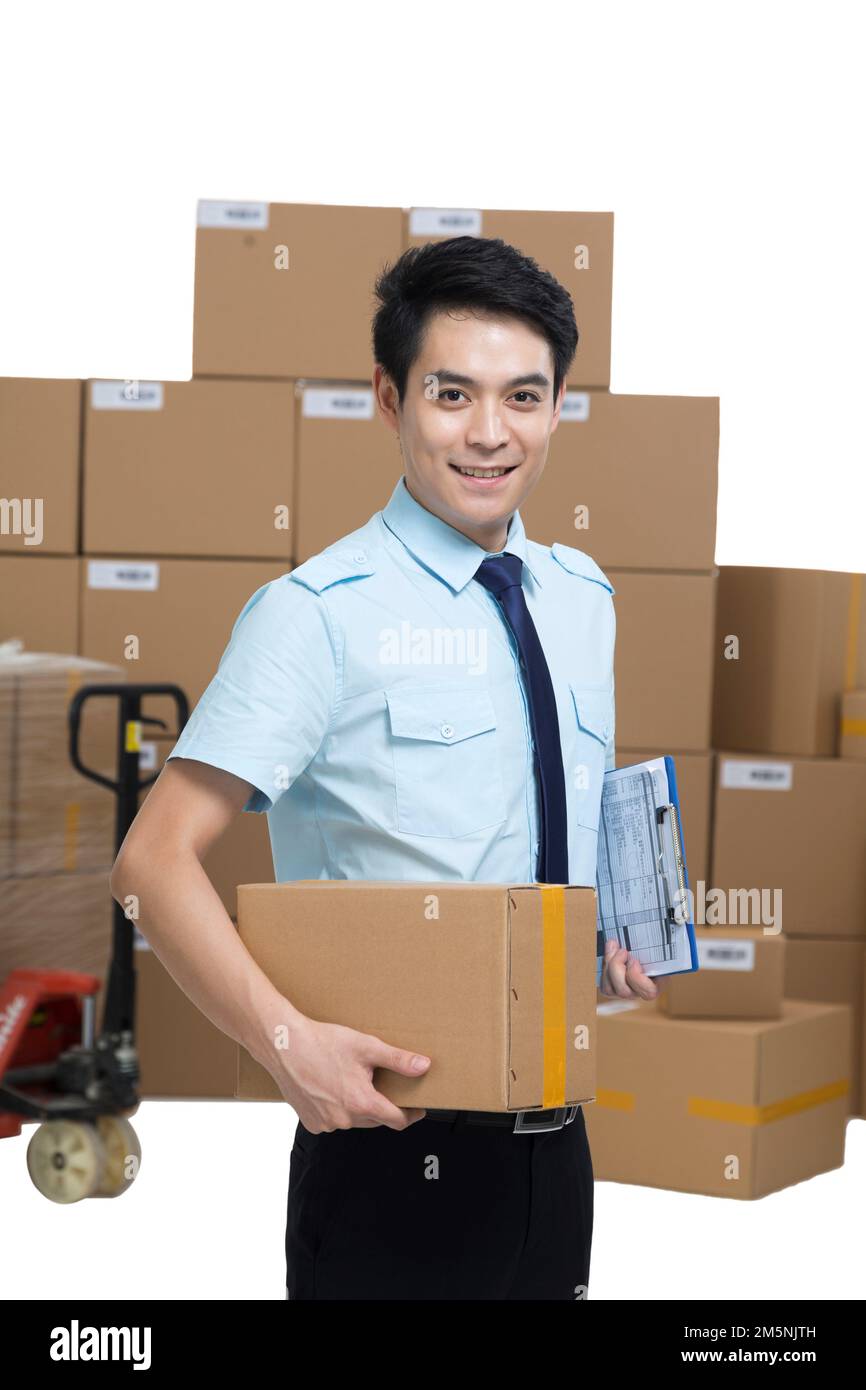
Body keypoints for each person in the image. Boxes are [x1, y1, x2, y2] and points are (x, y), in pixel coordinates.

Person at [109, 234, 659, 1301]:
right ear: (387, 396)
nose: (489, 433)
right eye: (451, 394)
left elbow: (534, 832)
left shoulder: (579, 597)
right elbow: (152, 862)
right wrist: (285, 1044)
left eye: (523, 396)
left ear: (557, 407)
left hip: (558, 1141)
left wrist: (601, 943)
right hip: (386, 1148)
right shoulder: (316, 616)